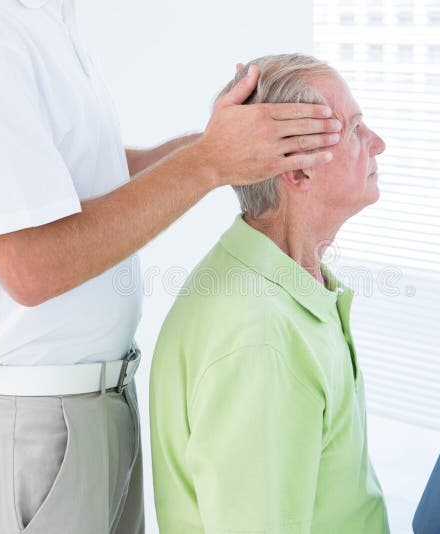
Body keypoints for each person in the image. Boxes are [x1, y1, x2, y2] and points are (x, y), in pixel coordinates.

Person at [0, 0, 342, 532]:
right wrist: (210, 160)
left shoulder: (44, 18)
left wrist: (228, 143)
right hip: (31, 427)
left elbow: (82, 180)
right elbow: (32, 268)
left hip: (95, 406)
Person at [150, 54, 390, 533]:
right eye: (356, 128)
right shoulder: (261, 340)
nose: (378, 144)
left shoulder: (294, 289)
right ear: (297, 171)